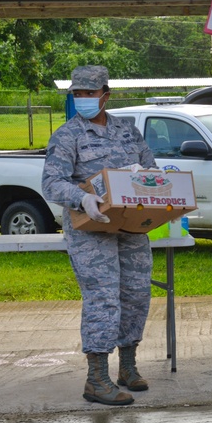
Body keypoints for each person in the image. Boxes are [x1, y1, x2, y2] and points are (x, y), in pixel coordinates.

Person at [42, 65, 158, 405]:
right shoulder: (67, 136)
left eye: (88, 94)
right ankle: (96, 379)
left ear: (105, 95)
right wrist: (82, 197)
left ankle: (128, 368)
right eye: (76, 94)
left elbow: (151, 169)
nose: (82, 99)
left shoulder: (128, 131)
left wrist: (150, 179)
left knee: (135, 294)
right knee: (103, 298)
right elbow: (51, 182)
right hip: (90, 230)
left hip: (131, 225)